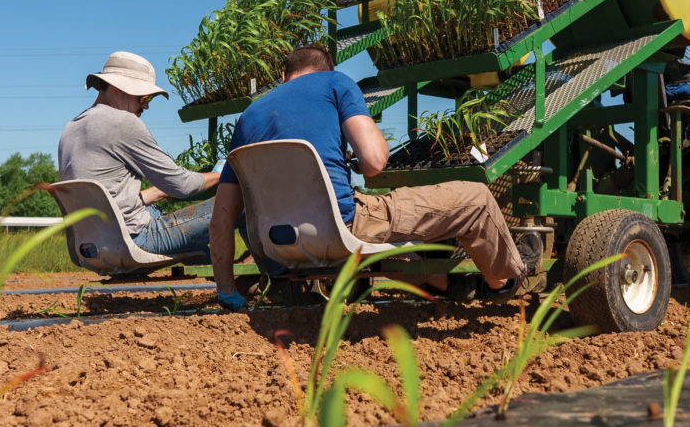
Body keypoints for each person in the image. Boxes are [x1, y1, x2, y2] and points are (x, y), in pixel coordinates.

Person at [209, 46, 535, 310]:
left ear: (284, 76)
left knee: (393, 242)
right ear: (326, 70)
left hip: (275, 244)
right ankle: (503, 283)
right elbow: (375, 162)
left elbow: (222, 217)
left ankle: (442, 282)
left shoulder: (248, 116)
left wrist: (226, 291)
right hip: (344, 226)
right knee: (475, 197)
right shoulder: (336, 83)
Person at [58, 51, 220, 261]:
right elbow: (182, 185)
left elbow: (112, 198)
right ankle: (268, 276)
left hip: (91, 246)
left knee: (201, 246)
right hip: (134, 238)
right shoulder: (123, 122)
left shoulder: (71, 128)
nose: (146, 105)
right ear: (117, 89)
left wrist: (161, 191)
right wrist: (220, 174)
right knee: (243, 201)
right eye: (143, 97)